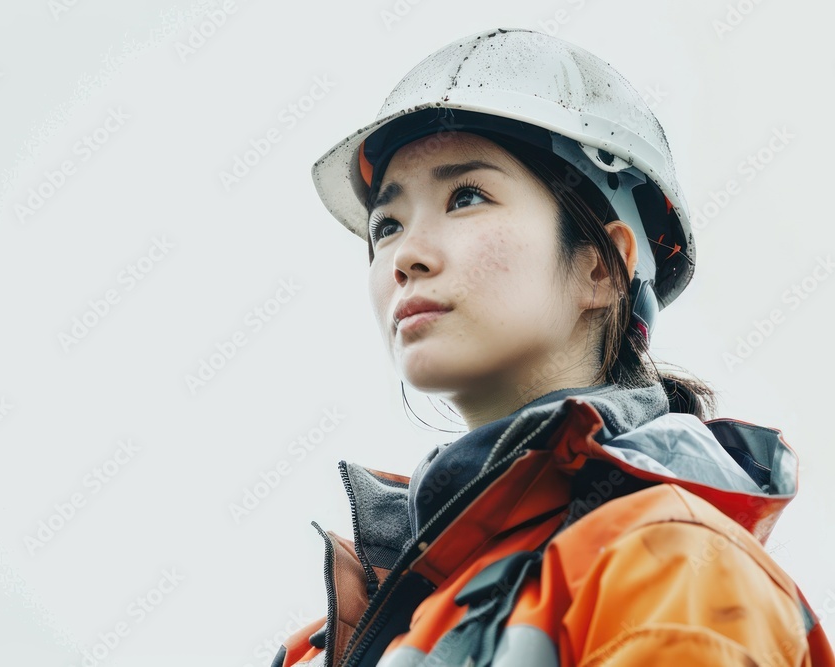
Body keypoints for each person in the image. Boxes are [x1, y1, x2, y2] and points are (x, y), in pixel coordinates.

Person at [273, 28, 835, 667]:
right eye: (387, 225)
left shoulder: (670, 565)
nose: (405, 257)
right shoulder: (334, 640)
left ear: (602, 268)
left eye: (466, 197)